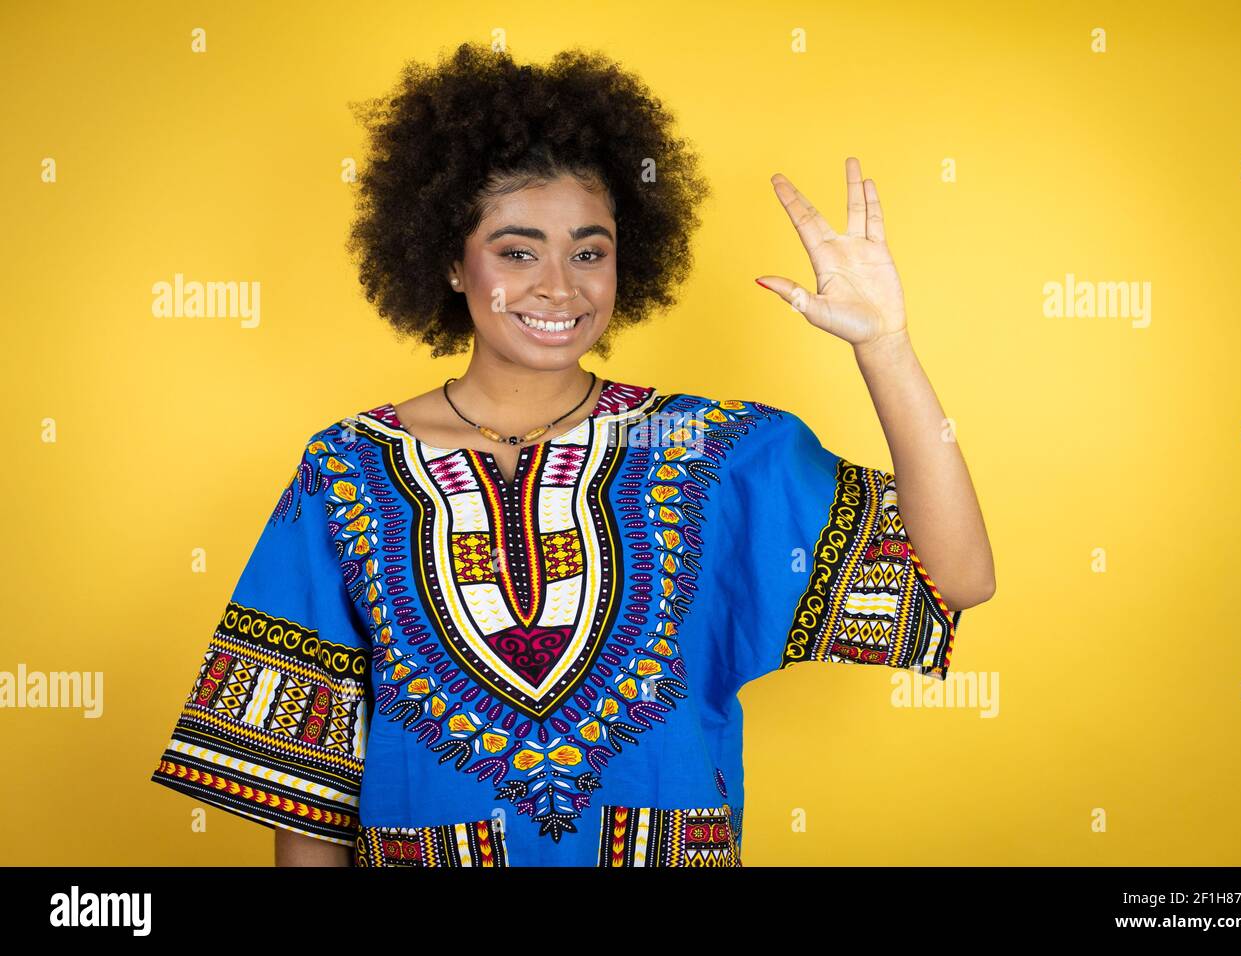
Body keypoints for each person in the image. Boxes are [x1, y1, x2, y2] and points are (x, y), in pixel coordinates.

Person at [148, 42, 995, 867]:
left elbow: (957, 578)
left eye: (589, 251)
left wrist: (884, 344)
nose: (560, 285)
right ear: (450, 262)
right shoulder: (347, 470)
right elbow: (306, 786)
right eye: (517, 251)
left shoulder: (713, 453)